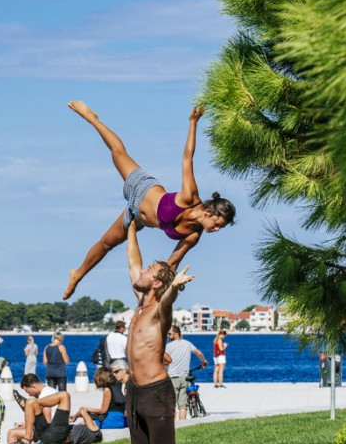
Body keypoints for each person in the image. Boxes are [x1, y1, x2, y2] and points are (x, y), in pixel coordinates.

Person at [62, 101, 235, 299]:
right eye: (217, 223)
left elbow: (172, 264)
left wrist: (161, 295)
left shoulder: (193, 236)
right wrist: (193, 123)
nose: (216, 229)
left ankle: (77, 274)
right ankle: (92, 118)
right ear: (208, 212)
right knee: (118, 151)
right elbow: (188, 158)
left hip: (138, 217)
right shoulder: (189, 197)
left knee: (106, 244)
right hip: (142, 187)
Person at [123, 220, 195, 444]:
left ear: (156, 283)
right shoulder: (139, 305)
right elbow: (131, 261)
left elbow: (167, 300)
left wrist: (175, 287)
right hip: (135, 392)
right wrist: (130, 227)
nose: (141, 272)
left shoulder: (158, 311)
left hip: (157, 391)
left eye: (148, 271)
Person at [7, 373, 73, 444]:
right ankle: (27, 407)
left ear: (33, 386)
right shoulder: (50, 390)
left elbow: (46, 420)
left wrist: (27, 426)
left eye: (29, 392)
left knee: (12, 433)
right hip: (55, 428)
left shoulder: (44, 395)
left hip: (50, 430)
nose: (29, 394)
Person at [166, 327, 208, 420]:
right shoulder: (188, 344)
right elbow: (199, 353)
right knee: (183, 406)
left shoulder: (168, 346)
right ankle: (182, 426)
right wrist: (203, 362)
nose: (168, 336)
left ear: (176, 334)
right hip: (185, 378)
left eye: (169, 334)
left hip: (173, 378)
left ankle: (172, 428)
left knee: (171, 406)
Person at [73, 367, 126, 431]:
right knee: (87, 414)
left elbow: (103, 410)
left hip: (111, 420)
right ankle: (75, 416)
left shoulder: (107, 389)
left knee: (83, 423)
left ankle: (75, 417)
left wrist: (89, 409)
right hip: (121, 419)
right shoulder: (117, 384)